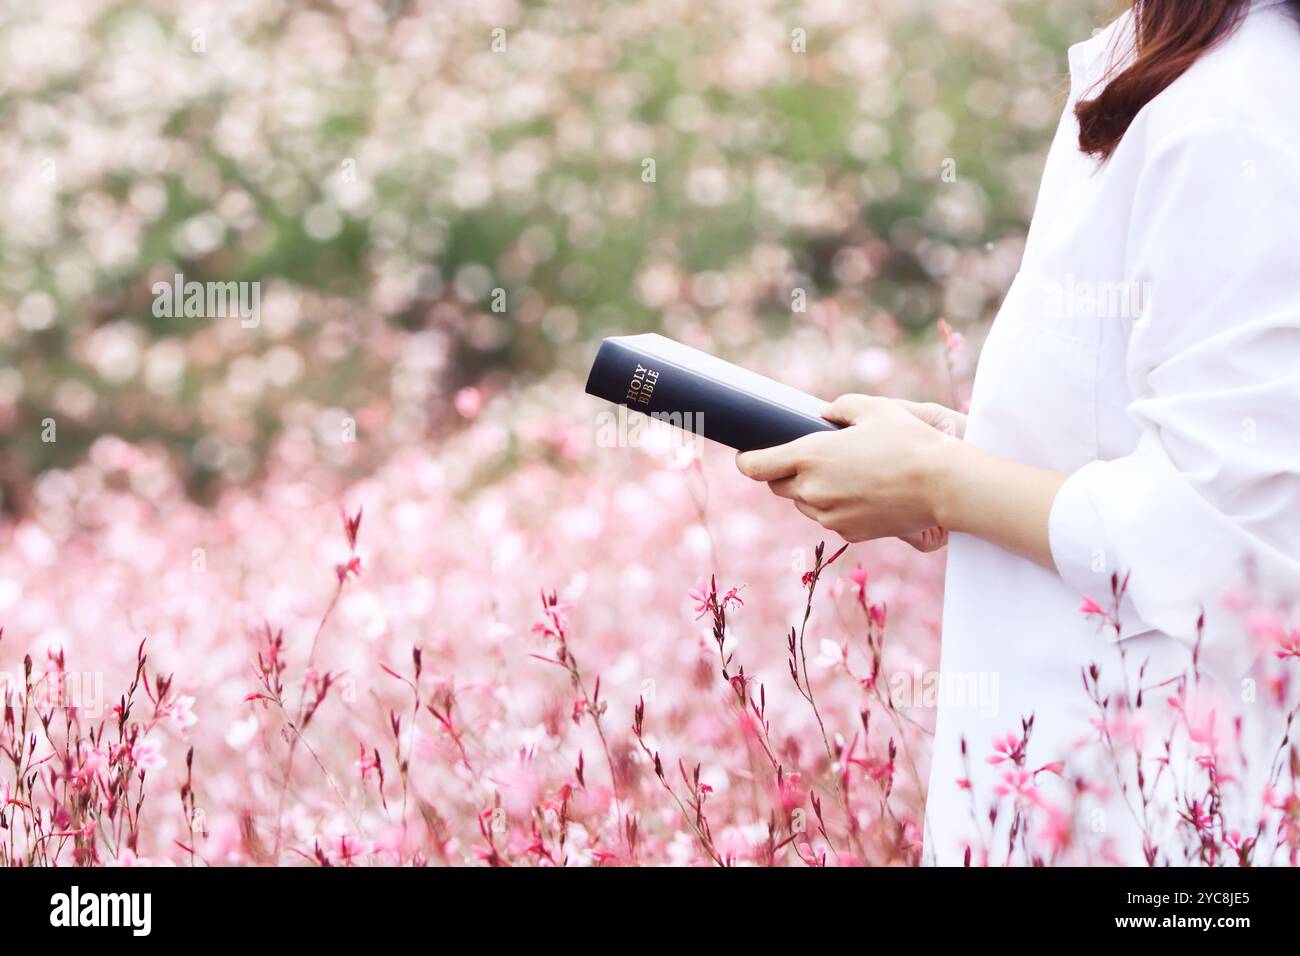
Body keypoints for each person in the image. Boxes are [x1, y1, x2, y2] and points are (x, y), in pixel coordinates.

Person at [737, 0, 1300, 864]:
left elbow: (1237, 543)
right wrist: (963, 451)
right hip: (1072, 796)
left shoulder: (1237, 109)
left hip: (1157, 827)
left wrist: (939, 482)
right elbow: (1144, 435)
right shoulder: (1156, 66)